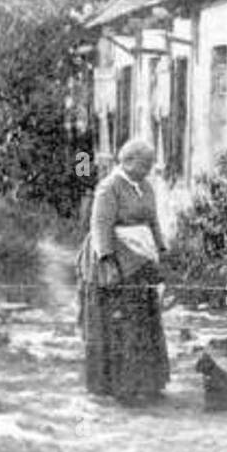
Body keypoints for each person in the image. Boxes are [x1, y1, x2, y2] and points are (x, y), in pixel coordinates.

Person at [79, 139, 171, 405]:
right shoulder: (109, 187)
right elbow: (100, 226)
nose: (148, 170)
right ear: (127, 162)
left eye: (150, 165)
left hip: (141, 259)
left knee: (144, 321)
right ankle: (119, 384)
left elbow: (153, 220)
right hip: (114, 260)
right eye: (144, 165)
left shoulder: (145, 187)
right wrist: (107, 260)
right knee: (120, 324)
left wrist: (161, 249)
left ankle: (148, 381)